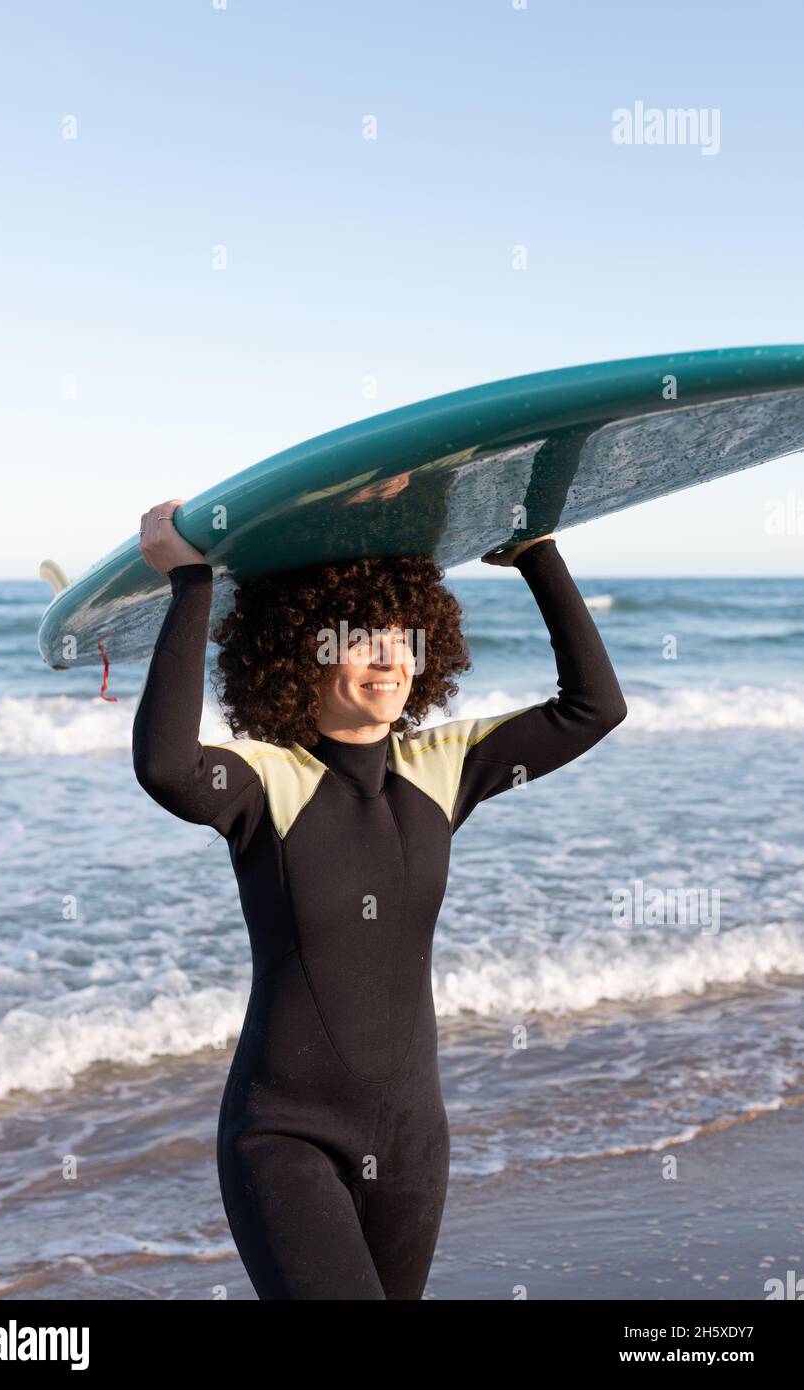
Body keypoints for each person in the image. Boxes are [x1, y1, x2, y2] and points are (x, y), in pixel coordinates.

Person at [133, 500, 627, 1300]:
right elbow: (165, 765)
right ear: (297, 652)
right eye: (358, 638)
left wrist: (536, 553)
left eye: (403, 635)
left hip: (411, 1144)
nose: (389, 658)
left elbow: (594, 708)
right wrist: (189, 582)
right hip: (283, 1138)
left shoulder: (444, 765)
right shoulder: (265, 781)